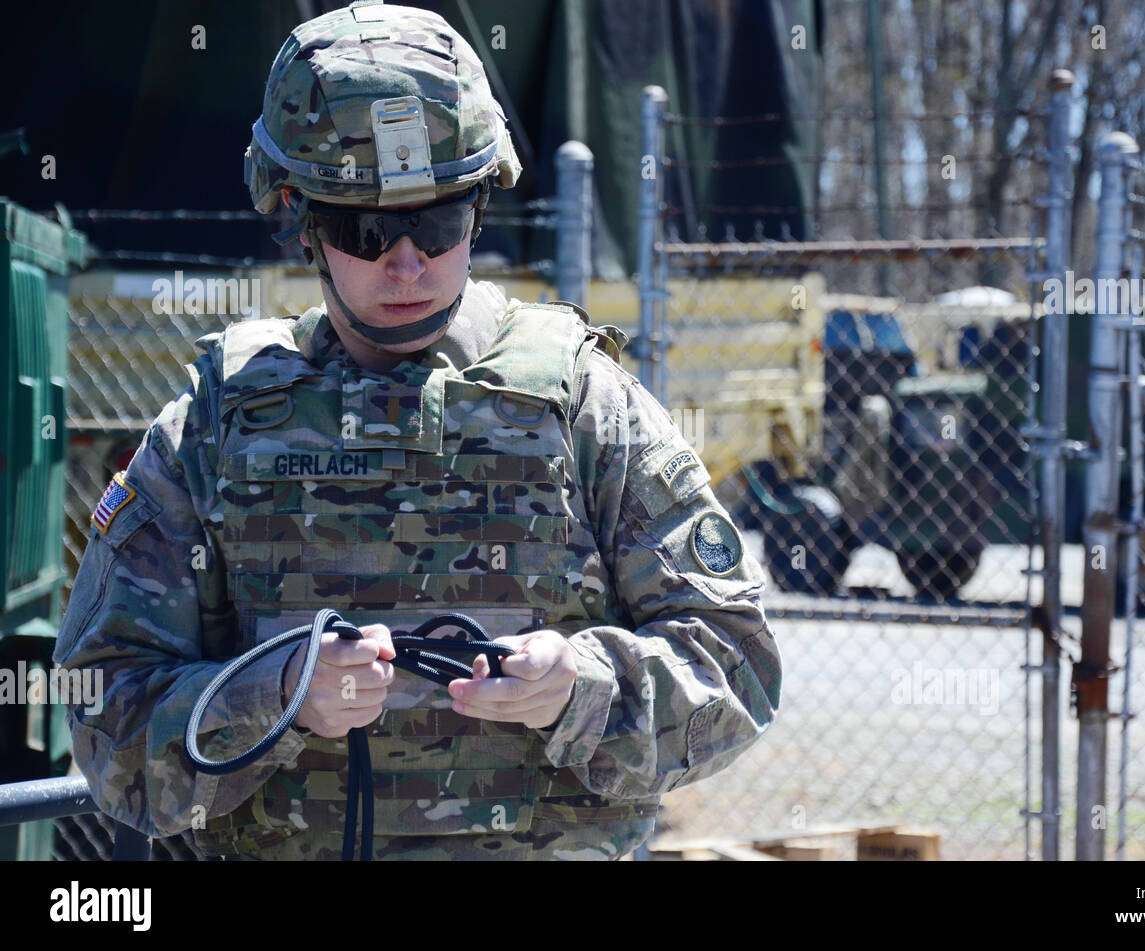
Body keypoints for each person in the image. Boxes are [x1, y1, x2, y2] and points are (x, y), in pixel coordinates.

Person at [54, 0, 781, 861]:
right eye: (367, 228)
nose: (407, 264)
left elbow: (737, 674)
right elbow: (106, 718)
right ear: (302, 219)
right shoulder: (216, 425)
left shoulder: (587, 406)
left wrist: (579, 687)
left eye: (437, 222)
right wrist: (278, 695)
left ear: (480, 206)